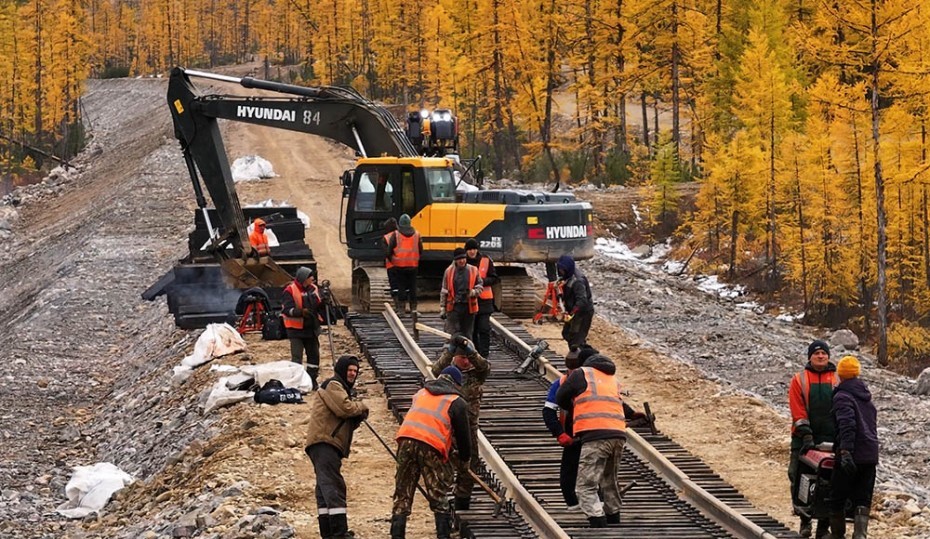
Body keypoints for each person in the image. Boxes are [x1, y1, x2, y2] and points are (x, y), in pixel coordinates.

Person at [391, 366, 472, 539]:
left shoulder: (421, 393)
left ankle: (397, 535)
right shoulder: (456, 402)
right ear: (457, 384)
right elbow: (464, 438)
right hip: (430, 447)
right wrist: (464, 460)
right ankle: (443, 535)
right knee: (438, 494)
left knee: (403, 492)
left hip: (406, 440)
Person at [555, 352, 632, 528]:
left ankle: (598, 522)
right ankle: (613, 518)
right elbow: (619, 404)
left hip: (595, 436)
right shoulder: (612, 378)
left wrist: (575, 408)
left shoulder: (581, 373)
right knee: (609, 480)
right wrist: (635, 415)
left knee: (585, 484)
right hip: (618, 435)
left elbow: (561, 396)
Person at [304, 355, 369, 539]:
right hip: (325, 443)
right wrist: (362, 407)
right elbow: (345, 409)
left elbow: (345, 420)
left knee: (324, 490)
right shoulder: (333, 385)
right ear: (341, 370)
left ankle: (329, 533)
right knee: (334, 487)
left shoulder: (341, 388)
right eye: (349, 370)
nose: (352, 374)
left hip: (324, 444)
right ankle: (339, 534)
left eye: (355, 371)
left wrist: (357, 416)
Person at [430, 333, 490, 510]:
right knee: (444, 464)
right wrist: (449, 350)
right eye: (462, 358)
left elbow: (484, 366)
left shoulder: (477, 374)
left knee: (470, 464)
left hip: (469, 428)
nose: (466, 362)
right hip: (447, 428)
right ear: (455, 358)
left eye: (468, 358)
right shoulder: (446, 374)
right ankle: (441, 502)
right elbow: (435, 369)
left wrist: (471, 352)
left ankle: (462, 503)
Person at [788, 340, 837, 538]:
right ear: (810, 356)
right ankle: (804, 520)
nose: (820, 356)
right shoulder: (799, 379)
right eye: (816, 353)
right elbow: (797, 409)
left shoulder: (837, 379)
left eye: (823, 353)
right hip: (803, 439)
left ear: (828, 356)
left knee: (829, 482)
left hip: (831, 439)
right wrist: (806, 434)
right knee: (798, 477)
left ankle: (823, 526)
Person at [829, 356, 879, 539]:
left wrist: (845, 451)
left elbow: (847, 425)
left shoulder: (842, 396)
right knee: (862, 499)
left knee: (837, 498)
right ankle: (860, 536)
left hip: (852, 454)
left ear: (840, 375)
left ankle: (837, 535)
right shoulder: (865, 396)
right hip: (870, 455)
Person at [543, 345, 598, 509]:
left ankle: (599, 504)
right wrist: (559, 433)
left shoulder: (593, 384)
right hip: (572, 436)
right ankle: (574, 504)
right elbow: (549, 411)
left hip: (592, 435)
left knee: (594, 473)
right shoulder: (560, 384)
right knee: (568, 474)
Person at [282, 266, 323, 386]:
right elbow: (287, 310)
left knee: (314, 356)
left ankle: (311, 380)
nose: (313, 279)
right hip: (296, 330)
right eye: (310, 277)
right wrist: (300, 312)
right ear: (304, 278)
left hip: (311, 329)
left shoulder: (313, 288)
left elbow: (318, 304)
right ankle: (297, 381)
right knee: (297, 357)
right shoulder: (290, 290)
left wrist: (324, 302)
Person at [464, 238, 498, 358]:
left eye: (474, 249)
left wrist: (481, 282)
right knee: (472, 331)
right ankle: (475, 354)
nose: (472, 252)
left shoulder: (486, 260)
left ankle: (484, 355)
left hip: (485, 302)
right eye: (469, 250)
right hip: (470, 302)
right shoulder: (463, 262)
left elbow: (494, 278)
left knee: (484, 328)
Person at [440, 247, 483, 338]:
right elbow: (444, 290)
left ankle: (467, 352)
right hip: (454, 307)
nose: (462, 261)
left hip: (469, 307)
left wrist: (473, 292)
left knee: (467, 334)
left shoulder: (473, 270)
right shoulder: (449, 271)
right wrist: (443, 307)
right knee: (452, 333)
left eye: (463, 258)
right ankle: (451, 351)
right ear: (455, 260)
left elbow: (480, 285)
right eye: (459, 259)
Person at [386, 214, 422, 313]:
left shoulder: (396, 234)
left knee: (401, 286)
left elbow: (389, 251)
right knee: (412, 286)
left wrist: (393, 259)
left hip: (399, 266)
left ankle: (401, 309)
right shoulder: (417, 234)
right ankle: (413, 309)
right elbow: (421, 249)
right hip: (413, 265)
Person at [556, 255, 594, 349]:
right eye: (560, 269)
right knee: (567, 334)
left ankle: (583, 357)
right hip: (572, 309)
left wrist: (572, 313)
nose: (561, 272)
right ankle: (581, 351)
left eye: (562, 270)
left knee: (576, 339)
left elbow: (582, 300)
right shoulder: (567, 276)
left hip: (582, 312)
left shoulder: (578, 282)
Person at [382, 217, 399, 308]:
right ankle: (402, 307)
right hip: (404, 266)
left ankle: (397, 306)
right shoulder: (402, 235)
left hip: (392, 266)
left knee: (395, 287)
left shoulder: (386, 237)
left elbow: (387, 253)